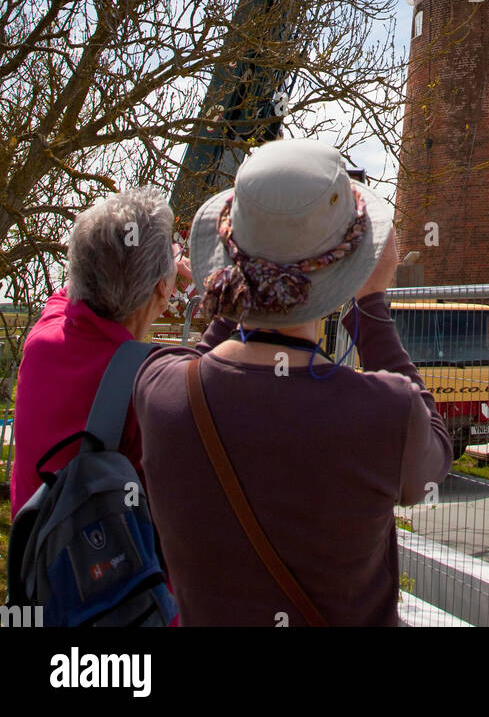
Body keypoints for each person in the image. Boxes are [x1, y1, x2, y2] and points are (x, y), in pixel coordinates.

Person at [133, 137, 453, 627]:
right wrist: (370, 304)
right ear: (352, 262)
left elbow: (199, 361)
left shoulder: (159, 388)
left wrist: (238, 290)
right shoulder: (387, 412)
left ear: (227, 255)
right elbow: (435, 458)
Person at [9, 187, 199, 518]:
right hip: (106, 551)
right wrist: (208, 285)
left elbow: (93, 268)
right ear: (161, 287)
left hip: (33, 546)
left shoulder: (45, 333)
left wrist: (152, 257)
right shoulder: (150, 386)